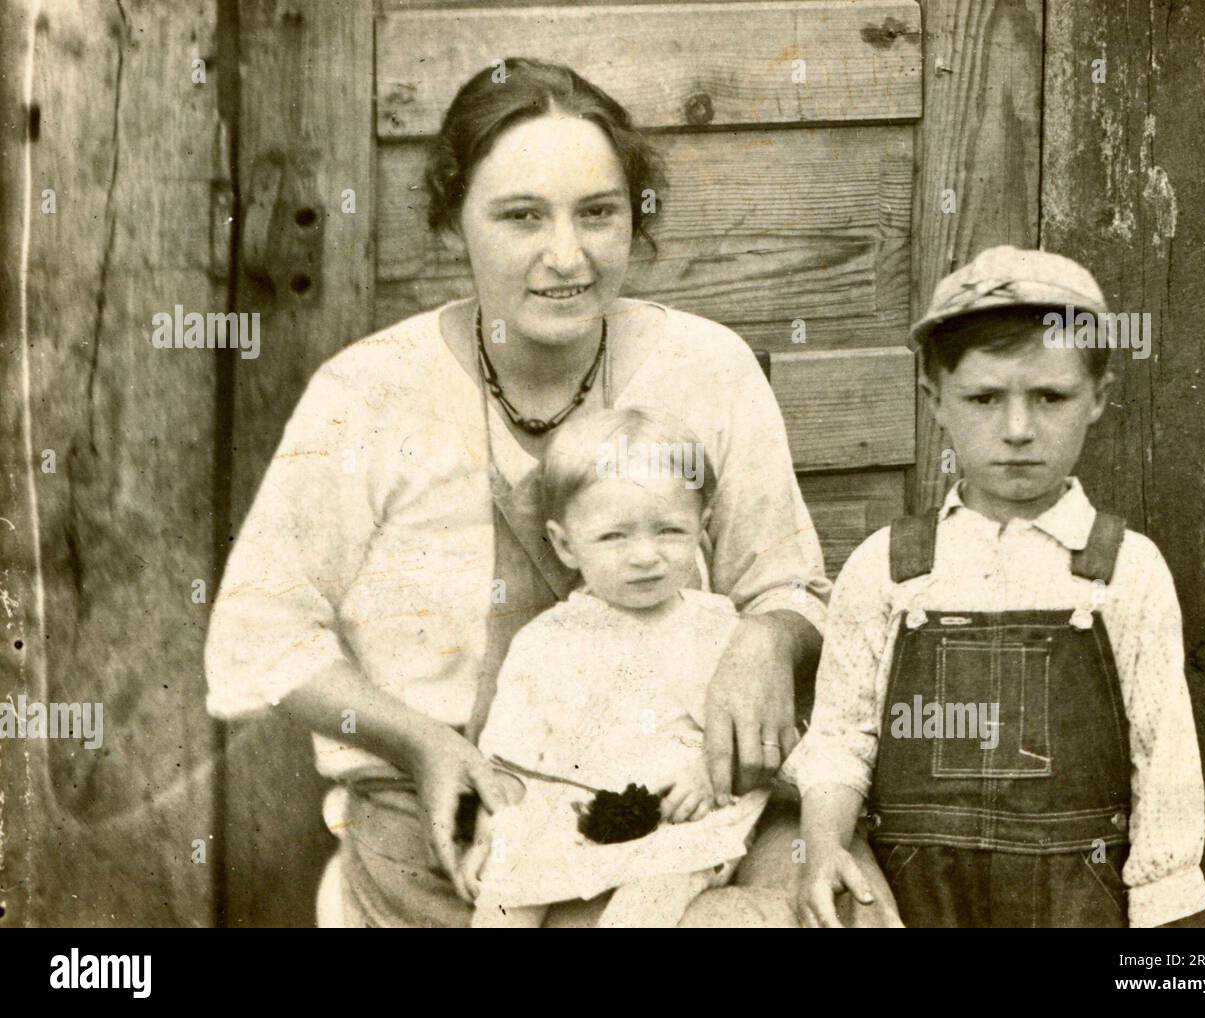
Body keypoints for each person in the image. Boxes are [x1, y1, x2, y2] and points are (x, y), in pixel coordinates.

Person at [204, 57, 836, 927]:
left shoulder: (707, 369)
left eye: (598, 214)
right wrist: (421, 746)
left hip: (686, 822)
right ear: (453, 221)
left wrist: (770, 636)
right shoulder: (371, 393)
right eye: (521, 217)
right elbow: (259, 632)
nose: (566, 256)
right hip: (450, 828)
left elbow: (787, 579)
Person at [786, 246, 1205, 928]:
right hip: (916, 899)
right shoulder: (892, 570)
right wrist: (825, 847)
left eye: (1050, 396)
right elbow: (842, 736)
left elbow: (1163, 763)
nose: (1017, 430)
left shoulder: (1123, 571)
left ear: (1098, 397)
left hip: (1079, 900)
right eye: (984, 398)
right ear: (936, 401)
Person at [463, 407, 774, 928]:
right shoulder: (545, 640)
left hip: (679, 820)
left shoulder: (718, 632)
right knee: (501, 900)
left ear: (702, 527)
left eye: (670, 530)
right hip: (569, 815)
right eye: (614, 537)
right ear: (565, 544)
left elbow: (752, 732)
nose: (645, 555)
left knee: (645, 905)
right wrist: (488, 838)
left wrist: (710, 771)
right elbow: (509, 756)